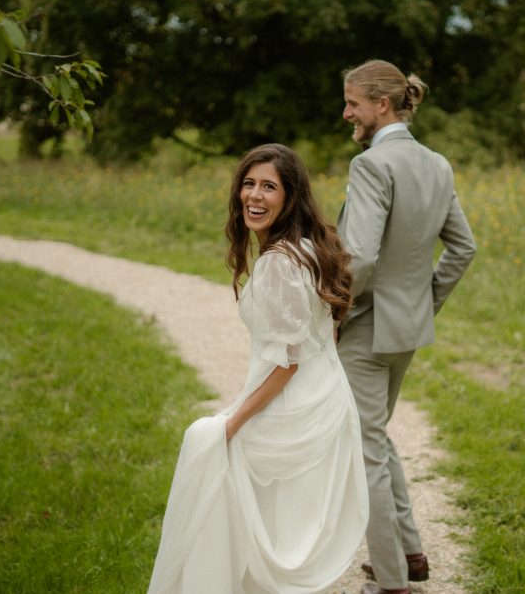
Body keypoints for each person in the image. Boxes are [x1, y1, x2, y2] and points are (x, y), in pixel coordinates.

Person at [148, 144, 369, 594]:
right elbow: (326, 335)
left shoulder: (279, 263)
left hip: (294, 409)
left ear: (290, 196)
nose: (254, 195)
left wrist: (232, 423)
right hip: (326, 398)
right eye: (248, 184)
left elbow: (288, 363)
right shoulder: (311, 248)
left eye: (269, 186)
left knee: (242, 505)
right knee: (286, 528)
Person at [336, 60, 477, 594]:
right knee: (376, 436)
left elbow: (361, 257)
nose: (346, 113)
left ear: (382, 105)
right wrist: (423, 304)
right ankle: (411, 553)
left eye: (353, 103)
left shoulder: (371, 165)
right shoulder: (437, 164)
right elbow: (463, 248)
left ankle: (392, 582)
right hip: (406, 333)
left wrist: (335, 314)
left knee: (365, 451)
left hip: (366, 330)